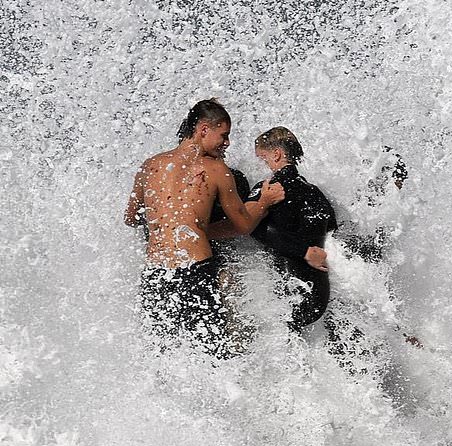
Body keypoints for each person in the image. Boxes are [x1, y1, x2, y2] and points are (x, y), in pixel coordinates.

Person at [125, 98, 282, 355]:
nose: (227, 143)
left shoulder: (150, 166)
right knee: (211, 352)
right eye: (224, 135)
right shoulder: (216, 169)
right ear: (203, 129)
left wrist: (167, 220)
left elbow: (131, 218)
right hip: (194, 272)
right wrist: (263, 202)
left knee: (160, 353)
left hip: (156, 274)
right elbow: (242, 224)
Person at [249, 126, 341, 331]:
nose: (261, 164)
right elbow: (332, 231)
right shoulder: (316, 192)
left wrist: (304, 251)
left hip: (289, 290)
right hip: (319, 296)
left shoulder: (270, 188)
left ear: (277, 154)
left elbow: (250, 226)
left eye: (262, 158)